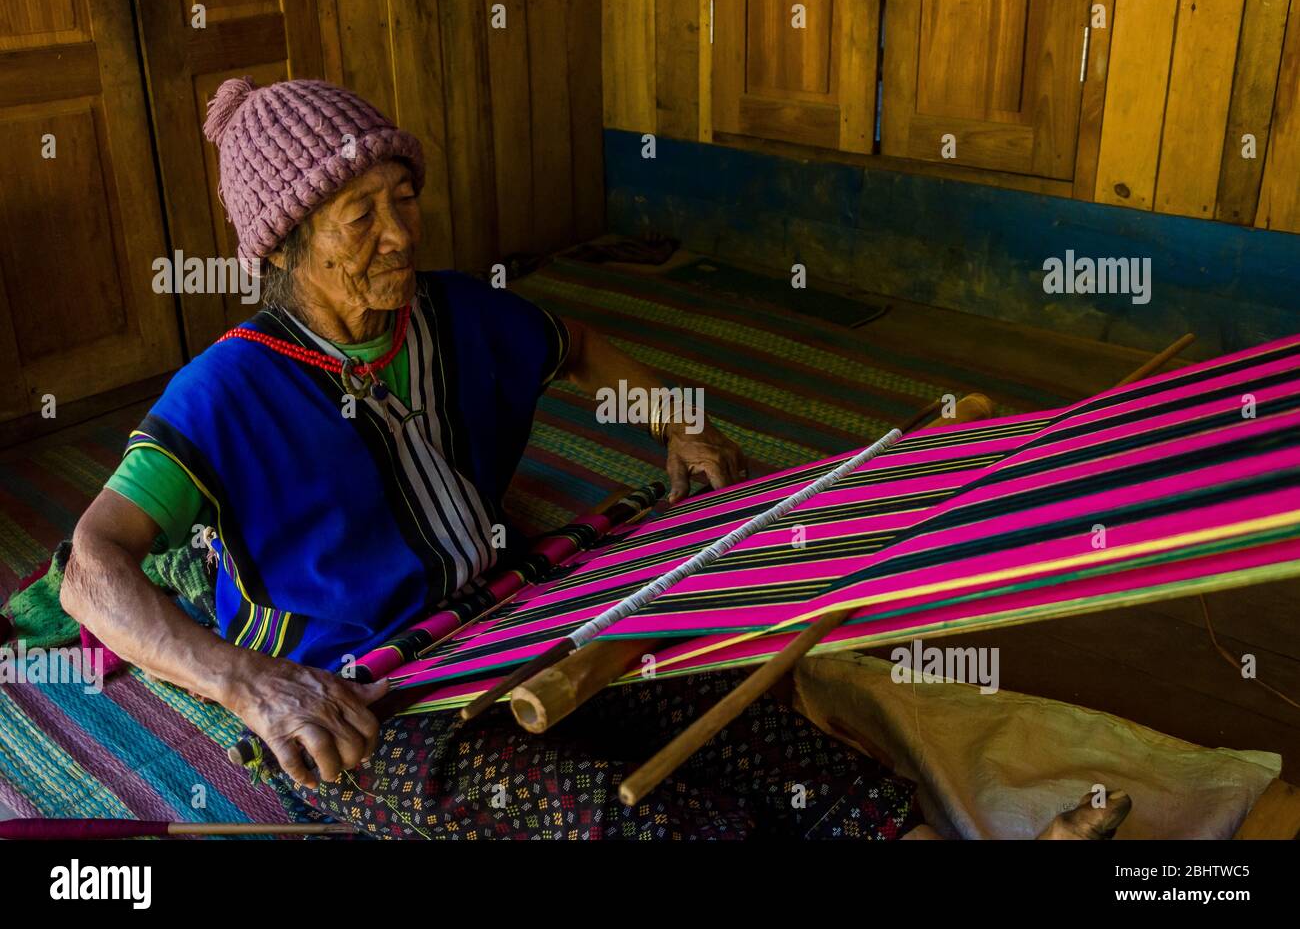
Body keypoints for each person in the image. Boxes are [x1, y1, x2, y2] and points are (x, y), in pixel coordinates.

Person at [60, 77, 925, 839]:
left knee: (746, 729)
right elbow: (88, 569)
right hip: (362, 705)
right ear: (284, 248)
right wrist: (252, 685)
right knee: (623, 816)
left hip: (513, 612)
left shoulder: (454, 315)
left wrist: (675, 425)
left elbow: (574, 344)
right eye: (360, 217)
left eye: (404, 198)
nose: (399, 235)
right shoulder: (227, 392)